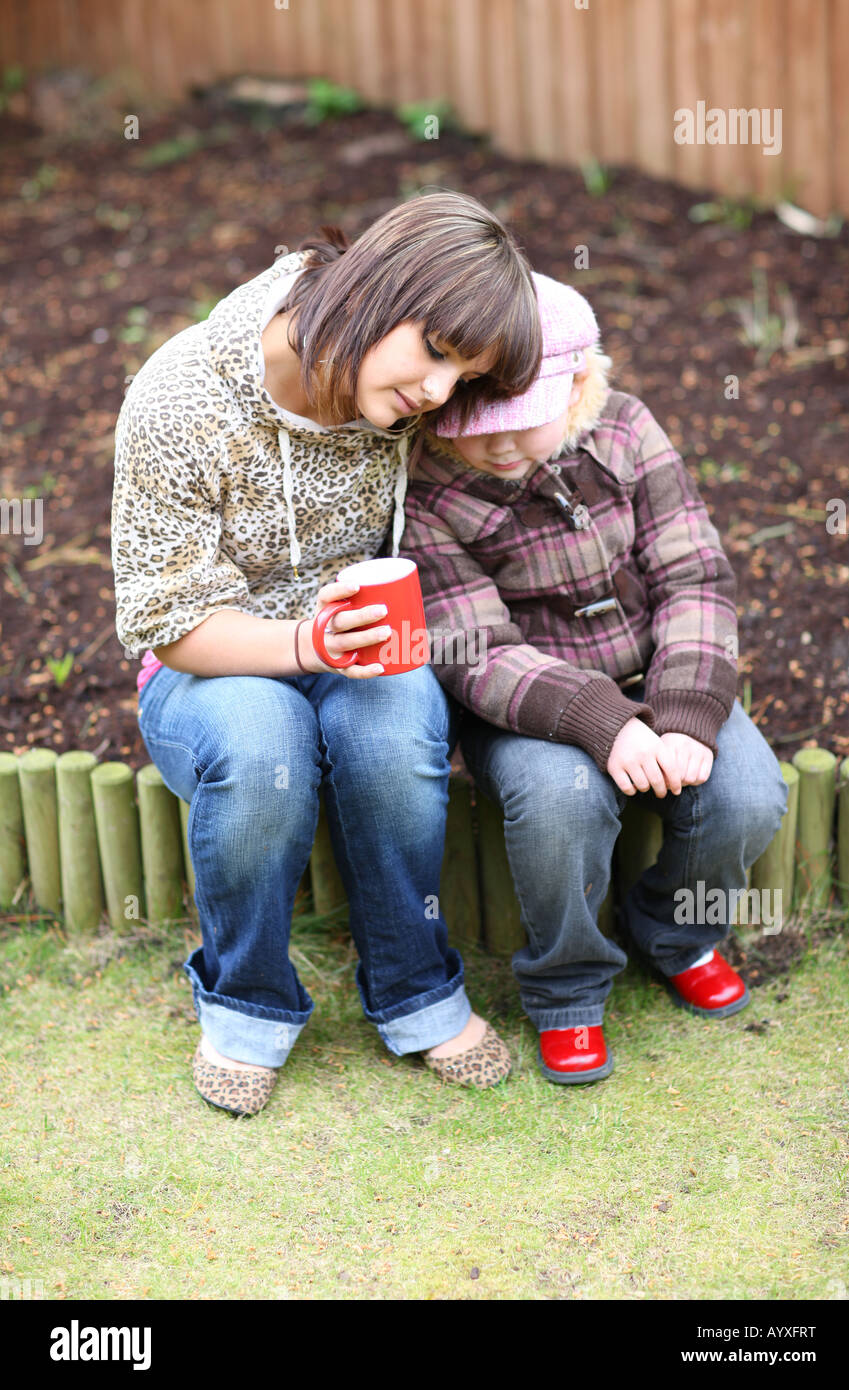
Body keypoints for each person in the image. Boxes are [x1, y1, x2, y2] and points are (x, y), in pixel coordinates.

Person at [111, 191, 543, 1113]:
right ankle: (245, 1006)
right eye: (434, 352)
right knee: (262, 740)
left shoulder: (391, 398)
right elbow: (167, 619)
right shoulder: (181, 395)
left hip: (354, 652)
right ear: (373, 291)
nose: (436, 394)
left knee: (394, 726)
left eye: (460, 378)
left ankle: (417, 988)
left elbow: (551, 382)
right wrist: (304, 643)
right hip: (207, 667)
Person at [399, 271, 789, 1085]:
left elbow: (695, 577)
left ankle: (675, 931)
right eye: (476, 425)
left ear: (578, 385)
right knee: (559, 804)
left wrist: (683, 714)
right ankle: (568, 988)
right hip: (529, 706)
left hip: (664, 675)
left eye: (521, 423)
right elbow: (473, 648)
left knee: (747, 794)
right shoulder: (430, 488)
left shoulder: (627, 431)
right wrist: (600, 721)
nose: (499, 445)